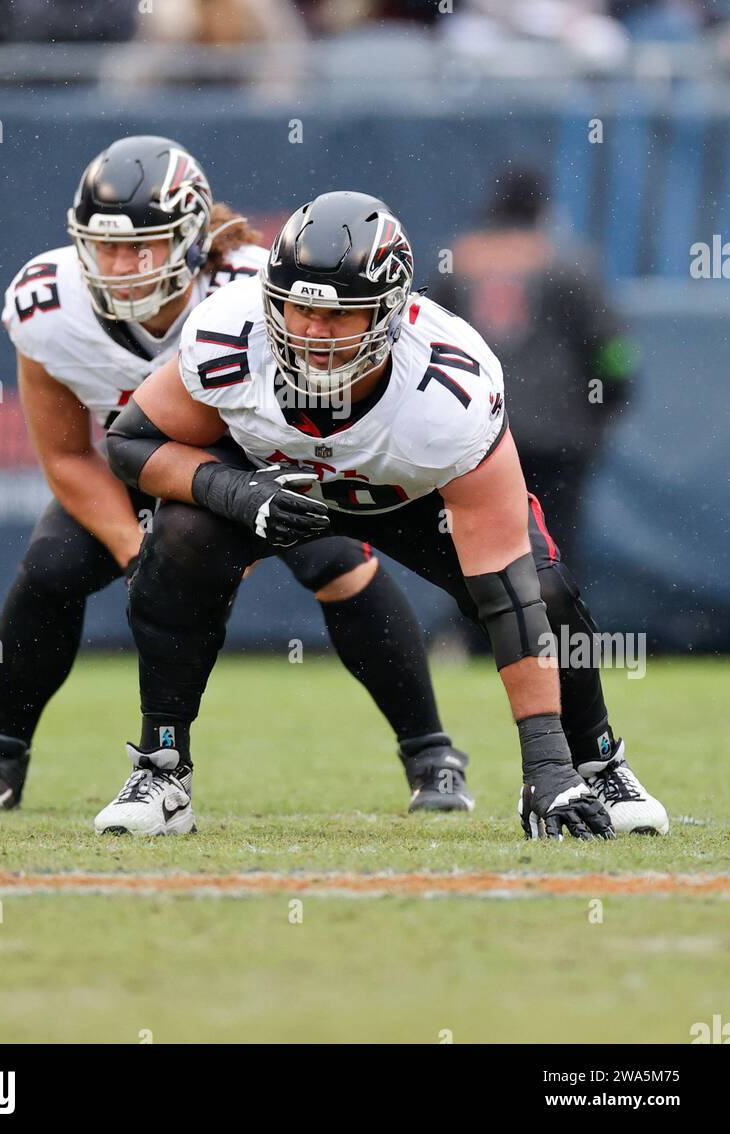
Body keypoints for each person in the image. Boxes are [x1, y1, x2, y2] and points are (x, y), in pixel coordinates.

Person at [100, 190, 669, 840]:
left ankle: (593, 765)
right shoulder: (231, 335)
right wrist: (237, 494)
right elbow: (129, 440)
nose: (310, 331)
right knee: (180, 537)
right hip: (274, 482)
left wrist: (544, 762)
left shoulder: (447, 392)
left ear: (389, 313)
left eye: (337, 316)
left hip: (408, 496)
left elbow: (508, 589)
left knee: (542, 588)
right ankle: (163, 769)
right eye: (298, 308)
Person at [0, 141, 472, 815]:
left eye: (145, 246)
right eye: (107, 248)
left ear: (191, 238)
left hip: (261, 457)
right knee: (50, 566)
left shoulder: (252, 290)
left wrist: (239, 528)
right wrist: (143, 554)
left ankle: (431, 755)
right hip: (141, 462)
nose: (124, 267)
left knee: (338, 559)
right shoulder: (49, 304)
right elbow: (71, 457)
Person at [429, 166, 638, 572]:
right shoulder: (568, 262)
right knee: (553, 543)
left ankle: (478, 631)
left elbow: (428, 347)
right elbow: (612, 349)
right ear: (541, 208)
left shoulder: (459, 261)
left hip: (477, 431)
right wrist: (611, 399)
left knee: (480, 541)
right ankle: (556, 629)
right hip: (555, 433)